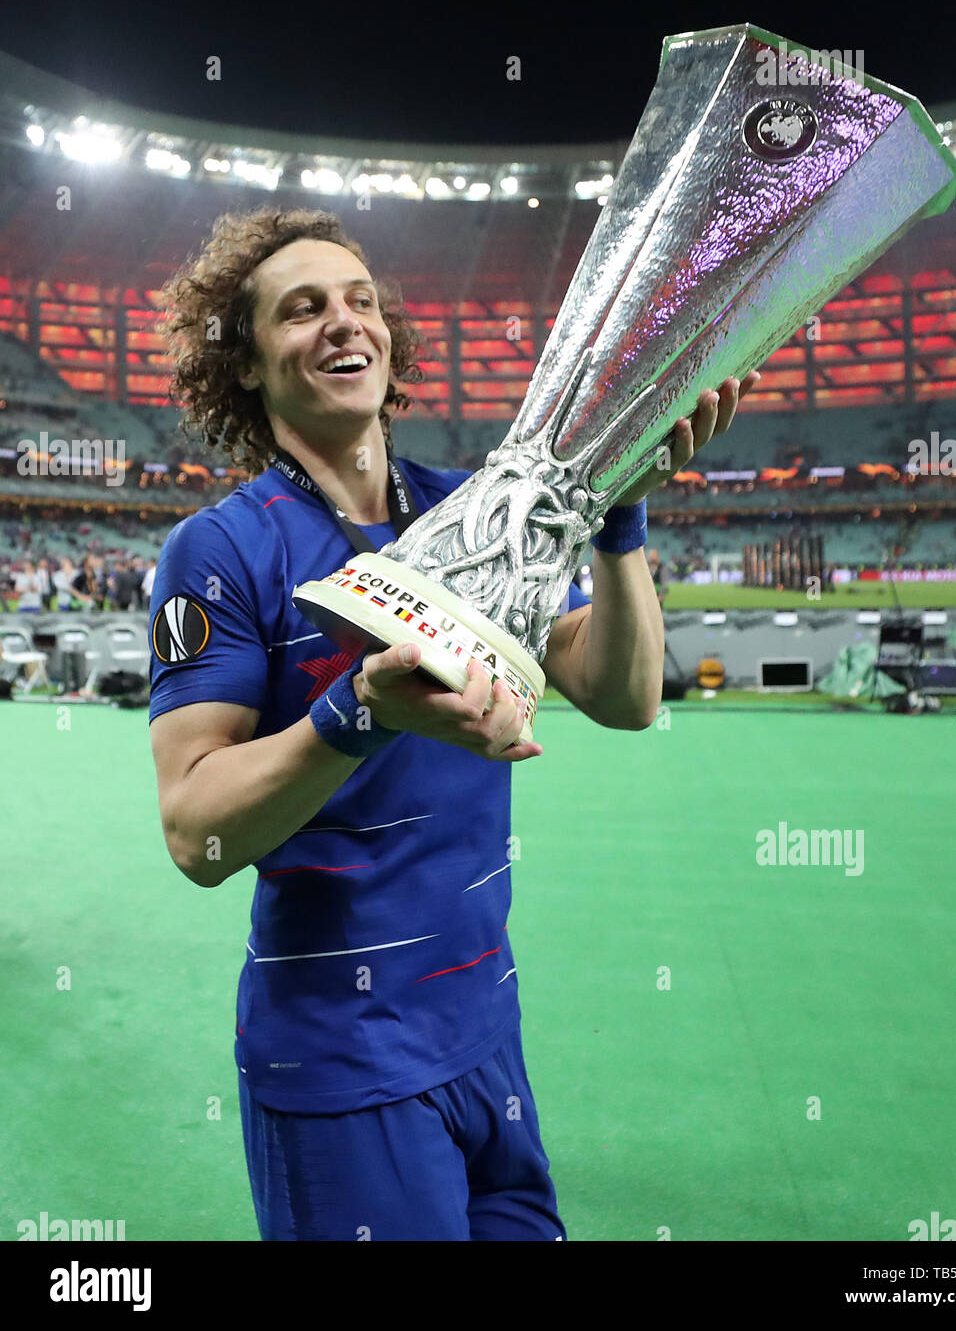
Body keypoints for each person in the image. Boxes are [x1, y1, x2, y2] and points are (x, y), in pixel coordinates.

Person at [148, 206, 754, 1242]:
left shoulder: (478, 510)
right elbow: (194, 829)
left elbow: (622, 694)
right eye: (301, 310)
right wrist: (357, 711)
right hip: (342, 1060)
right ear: (244, 364)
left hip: (485, 1038)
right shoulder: (216, 552)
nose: (345, 324)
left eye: (360, 301)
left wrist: (616, 516)